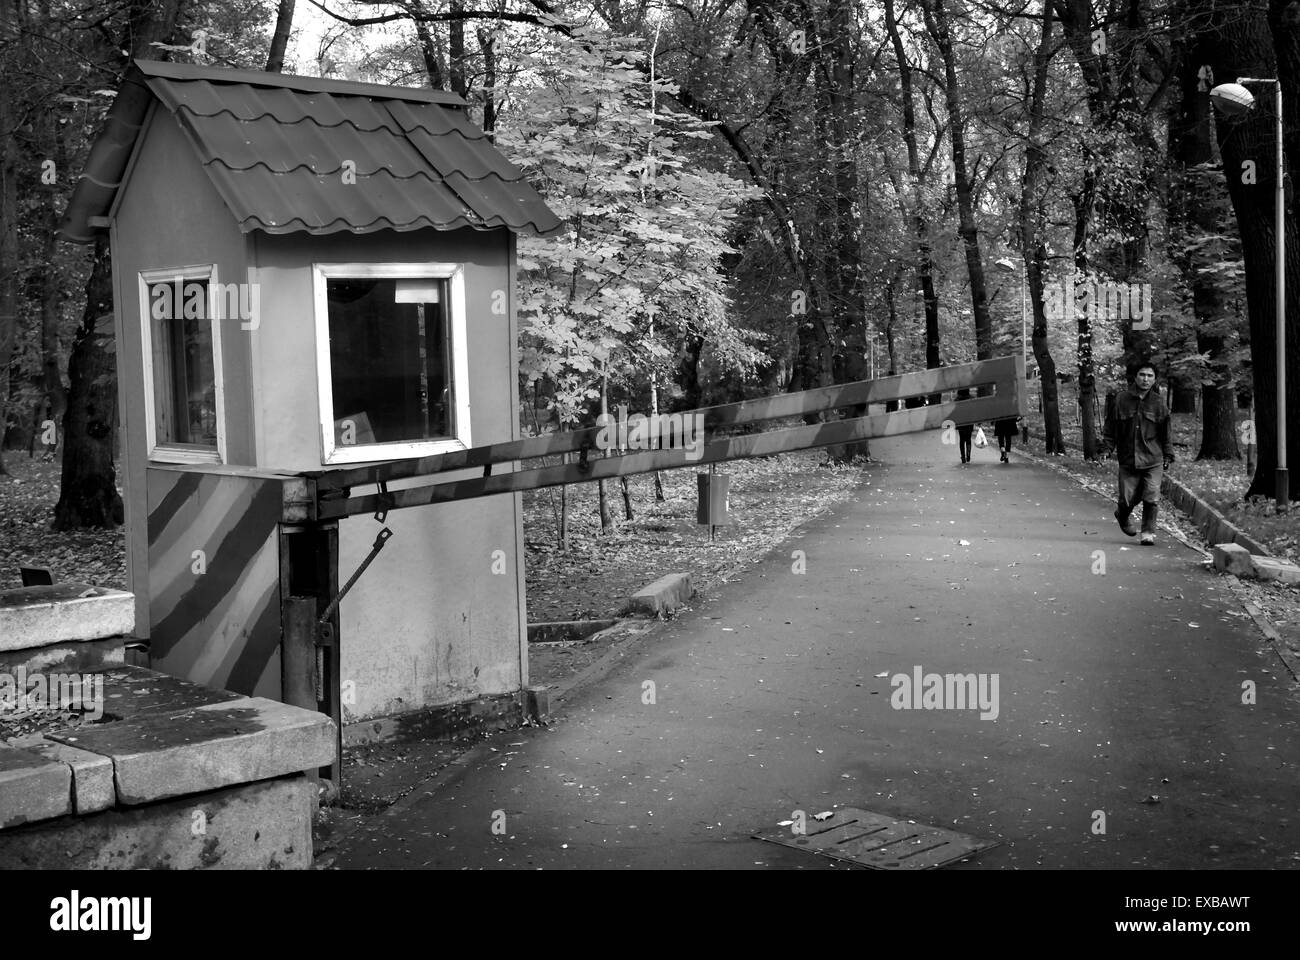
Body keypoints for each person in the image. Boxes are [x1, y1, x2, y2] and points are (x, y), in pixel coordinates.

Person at [1102, 359, 1174, 545]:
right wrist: (1107, 448)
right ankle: (1122, 515)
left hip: (1153, 458)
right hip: (1128, 458)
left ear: (1155, 379)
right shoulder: (1121, 399)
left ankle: (1148, 532)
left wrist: (1168, 455)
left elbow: (1166, 433)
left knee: (1152, 495)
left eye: (1150, 376)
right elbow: (1111, 427)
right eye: (1142, 375)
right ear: (1135, 377)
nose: (1145, 379)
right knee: (1127, 499)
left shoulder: (1159, 403)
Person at [955, 388, 974, 463]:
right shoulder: (971, 399)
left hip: (961, 421)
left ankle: (963, 456)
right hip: (969, 420)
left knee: (962, 439)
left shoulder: (957, 400)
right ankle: (968, 455)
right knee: (968, 438)